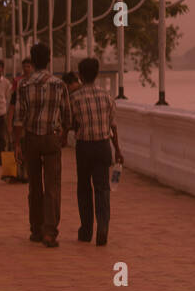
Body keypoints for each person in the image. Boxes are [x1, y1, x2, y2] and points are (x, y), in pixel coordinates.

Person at [65, 58, 123, 246]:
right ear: (97, 74)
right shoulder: (107, 96)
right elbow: (113, 126)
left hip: (84, 147)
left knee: (84, 188)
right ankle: (103, 226)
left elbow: (71, 124)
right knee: (102, 188)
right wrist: (118, 150)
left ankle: (86, 230)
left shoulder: (74, 97)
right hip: (103, 146)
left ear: (80, 76)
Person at [14, 43, 67, 246]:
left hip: (32, 138)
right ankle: (50, 231)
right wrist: (64, 133)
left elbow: (18, 117)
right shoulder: (59, 84)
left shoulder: (24, 85)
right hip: (52, 137)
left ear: (33, 61)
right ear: (49, 59)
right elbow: (67, 113)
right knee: (53, 186)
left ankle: (36, 229)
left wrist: (17, 144)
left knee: (34, 185)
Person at [9, 58, 33, 184]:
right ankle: (18, 173)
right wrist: (9, 123)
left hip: (31, 122)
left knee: (28, 148)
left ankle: (27, 173)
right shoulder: (17, 82)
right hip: (19, 121)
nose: (26, 69)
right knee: (18, 146)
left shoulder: (36, 84)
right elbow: (12, 104)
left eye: (28, 66)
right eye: (25, 66)